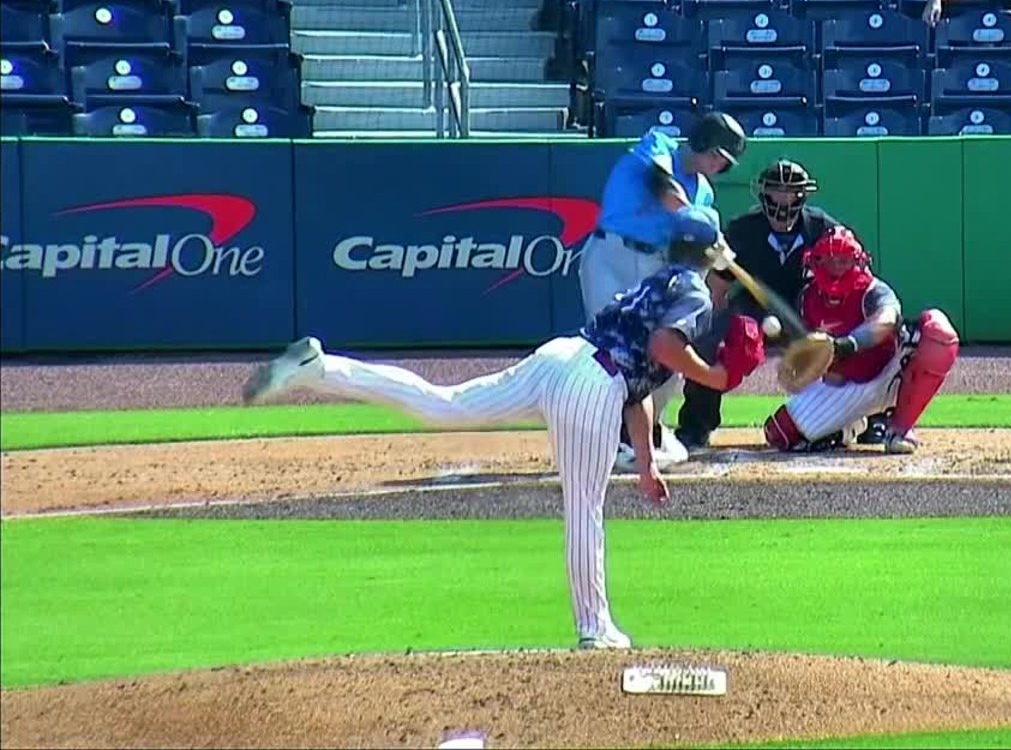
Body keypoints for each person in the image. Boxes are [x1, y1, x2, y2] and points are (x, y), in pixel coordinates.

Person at [239, 206, 766, 651]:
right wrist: (715, 376)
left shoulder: (659, 279)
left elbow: (641, 385)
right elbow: (662, 350)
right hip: (590, 384)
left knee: (443, 405)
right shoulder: (693, 292)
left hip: (562, 356)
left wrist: (647, 464)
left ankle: (323, 368)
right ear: (708, 256)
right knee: (584, 505)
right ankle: (594, 629)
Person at [578, 110, 748, 470]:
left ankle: (649, 427)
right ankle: (611, 435)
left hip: (656, 264)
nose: (718, 166)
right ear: (702, 141)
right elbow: (663, 188)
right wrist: (704, 227)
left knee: (667, 352)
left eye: (724, 162)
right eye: (717, 155)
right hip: (611, 254)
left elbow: (689, 240)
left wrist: (714, 250)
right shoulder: (660, 145)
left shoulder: (703, 191)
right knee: (614, 349)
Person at [674, 159, 858, 450]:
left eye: (790, 192)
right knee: (710, 345)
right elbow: (718, 288)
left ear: (802, 195)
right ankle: (696, 424)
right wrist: (712, 330)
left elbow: (847, 276)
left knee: (846, 343)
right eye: (776, 191)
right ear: (763, 193)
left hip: (805, 307)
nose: (783, 199)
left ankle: (865, 418)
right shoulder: (743, 229)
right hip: (750, 307)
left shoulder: (821, 227)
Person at [761, 227, 961, 457]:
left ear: (858, 261)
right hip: (844, 386)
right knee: (780, 433)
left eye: (844, 261)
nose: (837, 267)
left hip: (888, 375)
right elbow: (807, 354)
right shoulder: (808, 299)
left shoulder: (873, 290)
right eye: (830, 261)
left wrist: (848, 344)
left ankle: (900, 429)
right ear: (816, 263)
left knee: (938, 331)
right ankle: (850, 427)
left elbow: (887, 319)